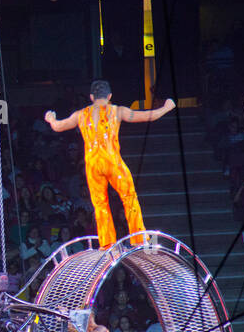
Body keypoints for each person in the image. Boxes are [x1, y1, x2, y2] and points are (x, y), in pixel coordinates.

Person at [45, 80, 175, 248]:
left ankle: (107, 243)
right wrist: (167, 107)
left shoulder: (80, 115)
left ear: (91, 97)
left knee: (100, 204)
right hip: (112, 161)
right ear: (110, 96)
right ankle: (138, 239)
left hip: (93, 165)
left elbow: (58, 127)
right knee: (129, 197)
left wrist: (51, 119)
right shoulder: (118, 111)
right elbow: (148, 116)